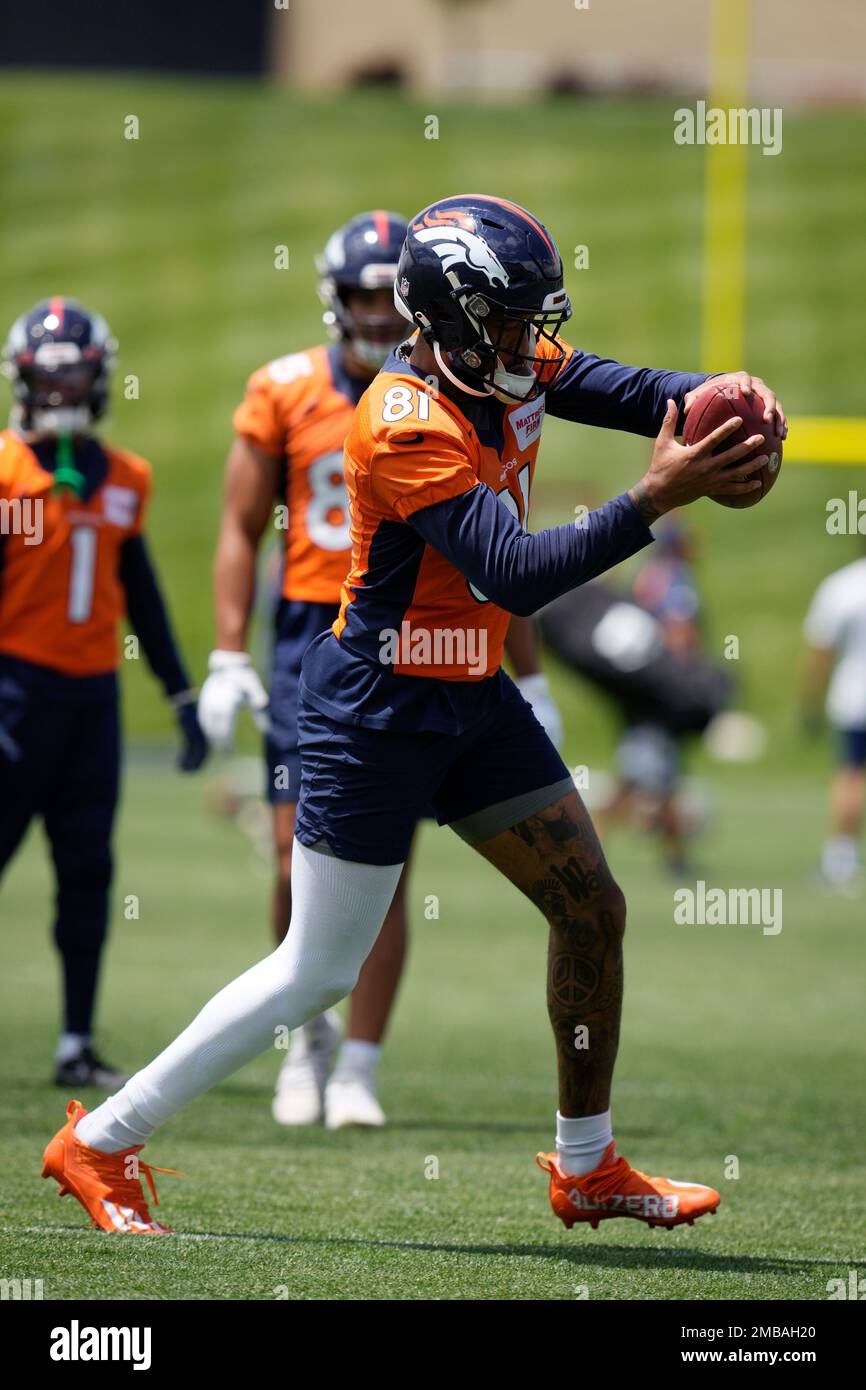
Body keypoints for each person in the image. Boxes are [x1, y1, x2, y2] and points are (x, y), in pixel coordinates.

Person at [42, 195, 785, 1234]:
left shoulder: (499, 363)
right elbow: (515, 572)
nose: (543, 343)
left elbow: (628, 387)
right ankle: (99, 1141)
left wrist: (719, 393)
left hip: (468, 695)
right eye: (521, 321)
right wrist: (652, 499)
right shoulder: (401, 420)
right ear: (461, 323)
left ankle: (587, 1165)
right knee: (314, 971)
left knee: (591, 907)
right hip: (375, 711)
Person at [198, 211, 562, 1130]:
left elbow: (493, 559)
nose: (368, 312)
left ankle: (359, 1059)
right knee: (297, 856)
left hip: (421, 642)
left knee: (387, 866)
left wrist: (534, 673)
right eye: (354, 295)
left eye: (378, 294)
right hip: (315, 641)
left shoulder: (468, 394)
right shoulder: (286, 390)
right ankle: (306, 1043)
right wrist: (227, 649)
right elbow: (240, 529)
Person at [0, 298, 207, 1088]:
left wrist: (179, 693)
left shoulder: (125, 477)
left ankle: (74, 1041)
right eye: (49, 379)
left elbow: (140, 592)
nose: (62, 392)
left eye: (76, 376)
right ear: (23, 381)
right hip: (14, 694)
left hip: (91, 705)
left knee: (86, 872)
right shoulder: (7, 472)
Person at [802, 552, 866, 890]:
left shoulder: (843, 586)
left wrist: (810, 701)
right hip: (855, 698)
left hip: (855, 698)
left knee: (851, 775)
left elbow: (821, 650)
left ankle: (841, 858)